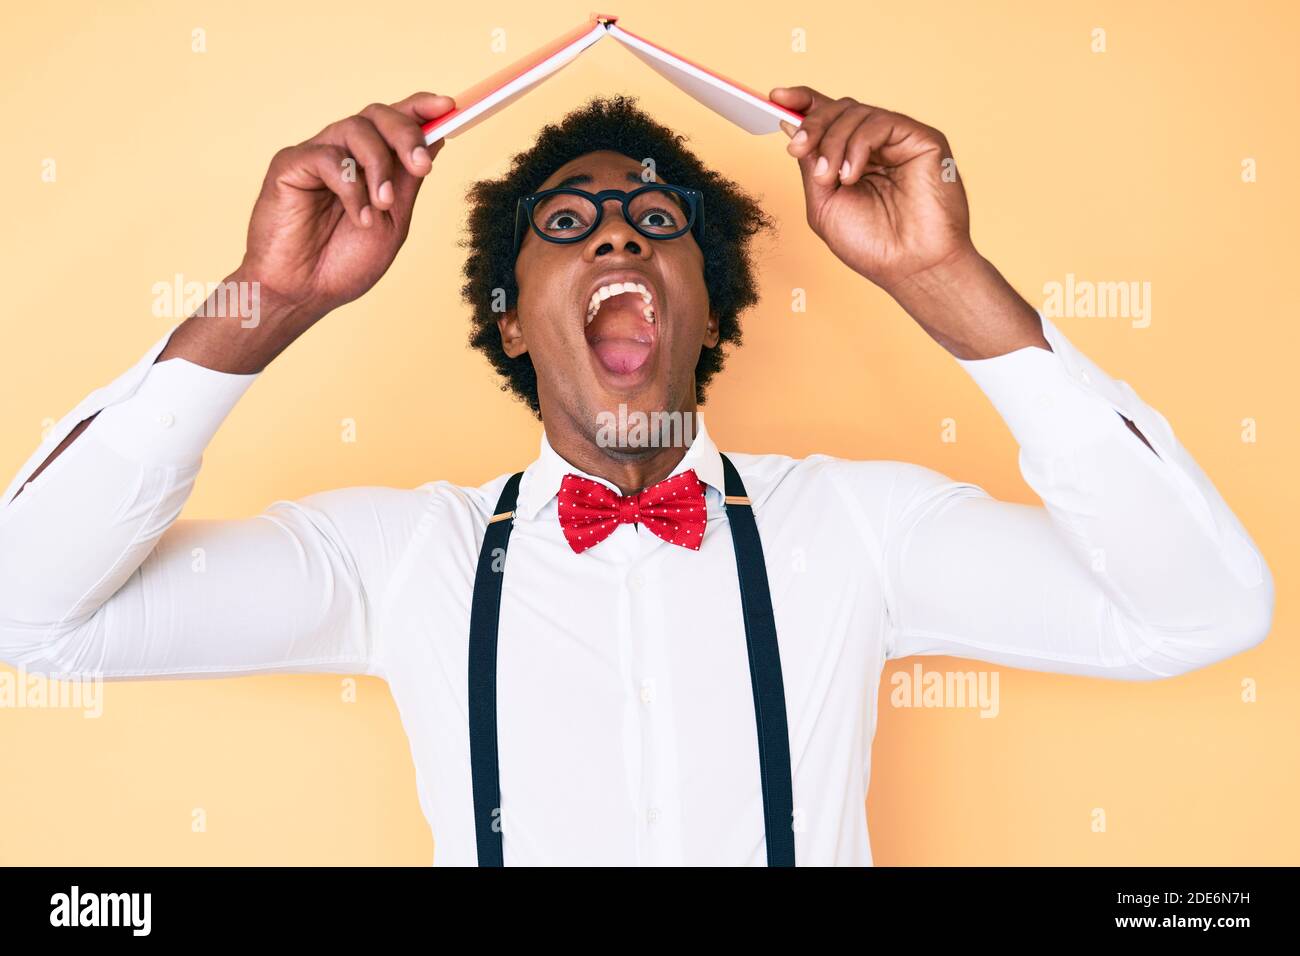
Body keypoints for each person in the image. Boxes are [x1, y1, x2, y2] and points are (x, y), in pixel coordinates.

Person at [0, 88, 1273, 866]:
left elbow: (1201, 610)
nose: (617, 228)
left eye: (658, 222)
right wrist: (264, 302)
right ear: (510, 319)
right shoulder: (404, 560)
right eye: (567, 224)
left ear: (705, 308)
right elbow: (31, 609)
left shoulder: (857, 529)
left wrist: (941, 275)